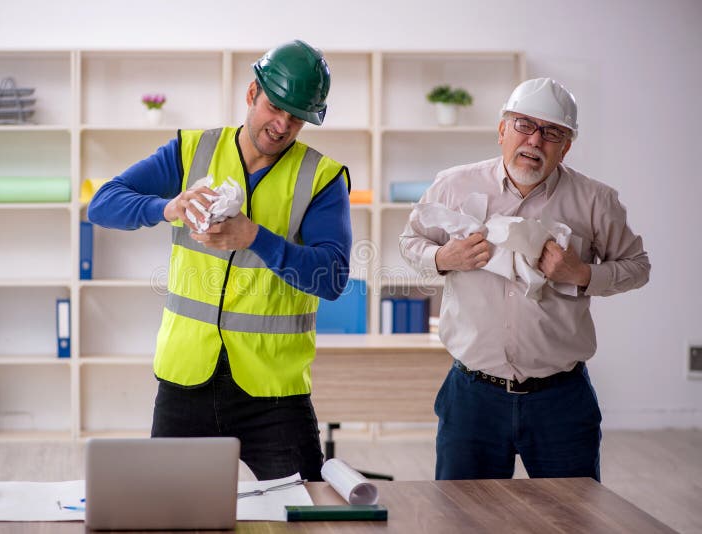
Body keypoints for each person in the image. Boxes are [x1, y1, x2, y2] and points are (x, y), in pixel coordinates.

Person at [88, 40, 352, 481]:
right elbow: (103, 203)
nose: (282, 125)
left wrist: (255, 237)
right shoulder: (192, 151)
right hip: (186, 377)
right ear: (251, 93)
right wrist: (168, 207)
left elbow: (332, 278)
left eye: (296, 117)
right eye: (274, 107)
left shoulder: (321, 178)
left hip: (274, 392)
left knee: (301, 509)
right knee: (170, 508)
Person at [399, 78, 650, 481]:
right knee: (462, 512)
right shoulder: (453, 186)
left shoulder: (596, 201)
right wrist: (443, 257)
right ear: (502, 130)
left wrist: (582, 273)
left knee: (570, 513)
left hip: (561, 400)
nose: (535, 140)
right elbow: (410, 241)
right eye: (524, 125)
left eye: (552, 132)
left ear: (566, 147)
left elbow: (637, 266)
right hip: (472, 397)